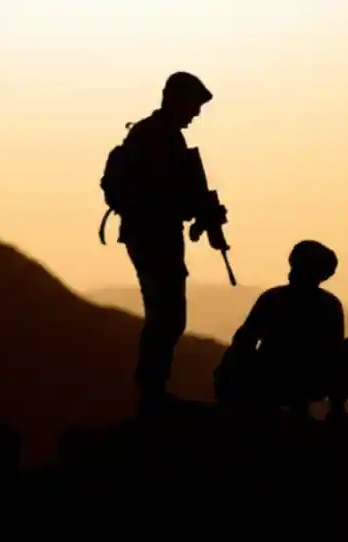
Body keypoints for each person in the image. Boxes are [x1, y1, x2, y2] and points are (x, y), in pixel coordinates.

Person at [115, 71, 228, 416]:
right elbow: (160, 192)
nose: (195, 113)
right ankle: (151, 390)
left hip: (158, 234)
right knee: (166, 314)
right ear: (175, 100)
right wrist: (198, 209)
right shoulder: (153, 137)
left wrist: (202, 212)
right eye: (193, 105)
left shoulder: (166, 137)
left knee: (168, 315)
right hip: (151, 235)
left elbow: (173, 191)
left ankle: (153, 388)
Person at [215, 240, 348, 421]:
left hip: (290, 379)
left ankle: (331, 409)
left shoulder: (276, 298)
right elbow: (244, 340)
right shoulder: (327, 304)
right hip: (276, 378)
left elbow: (244, 339)